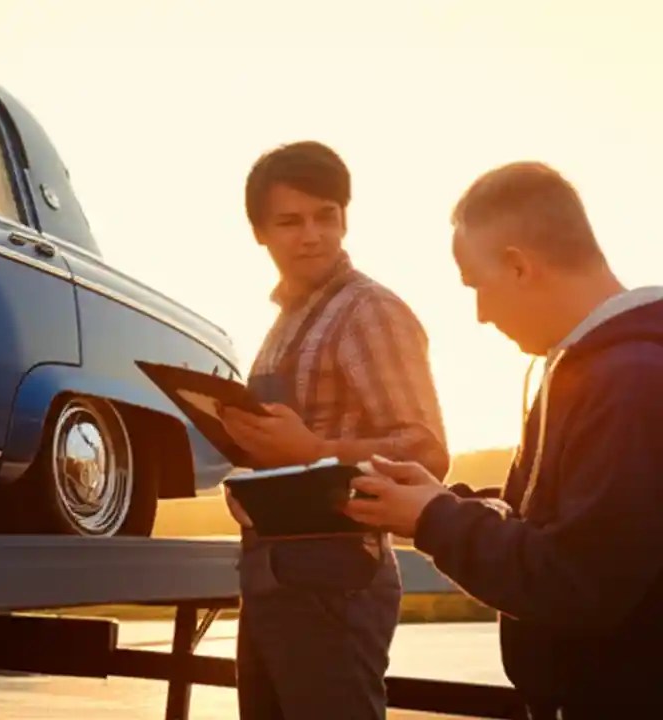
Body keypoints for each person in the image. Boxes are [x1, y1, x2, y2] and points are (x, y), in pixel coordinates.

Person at [343, 161, 663, 719]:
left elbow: (578, 582)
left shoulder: (630, 380)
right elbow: (561, 519)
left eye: (476, 286)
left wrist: (434, 520)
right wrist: (447, 501)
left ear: (518, 266)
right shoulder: (593, 368)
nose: (481, 314)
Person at [219, 140, 450, 719]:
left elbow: (427, 450)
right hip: (272, 573)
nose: (312, 234)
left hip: (338, 579)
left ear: (345, 217)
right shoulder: (283, 321)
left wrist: (316, 450)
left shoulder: (368, 310)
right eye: (290, 221)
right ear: (259, 233)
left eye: (327, 216)